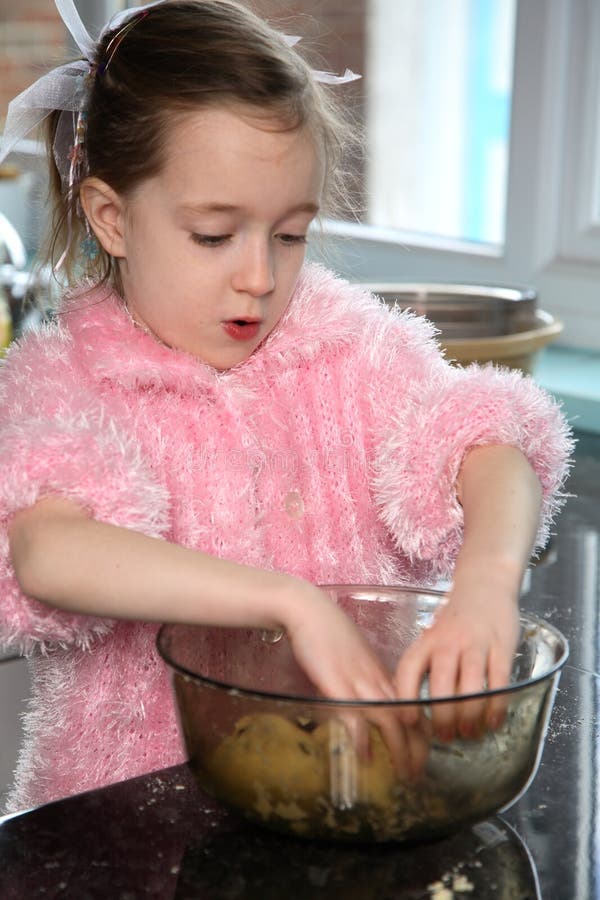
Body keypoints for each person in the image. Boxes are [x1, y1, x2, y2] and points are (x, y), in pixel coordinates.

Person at [0, 0, 572, 815]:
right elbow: (48, 552)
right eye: (213, 235)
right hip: (130, 825)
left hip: (357, 799)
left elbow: (490, 440)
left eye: (290, 234)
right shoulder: (70, 375)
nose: (260, 277)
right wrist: (290, 601)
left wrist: (483, 585)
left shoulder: (352, 349)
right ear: (111, 218)